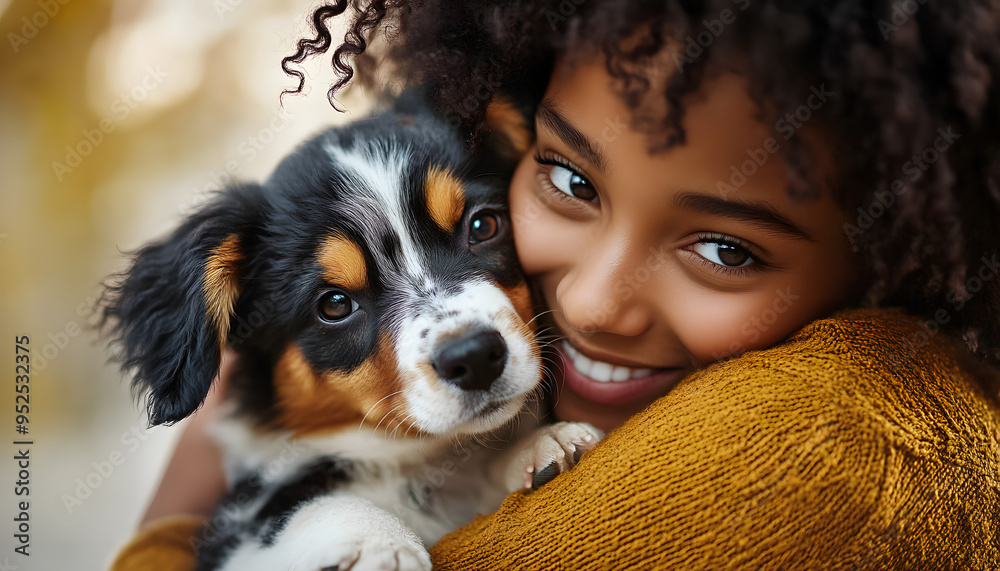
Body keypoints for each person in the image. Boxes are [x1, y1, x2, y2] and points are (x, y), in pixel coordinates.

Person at [113, 0, 1000, 568]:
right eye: (571, 182)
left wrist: (164, 532)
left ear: (899, 249)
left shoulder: (822, 451)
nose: (588, 305)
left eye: (728, 249)